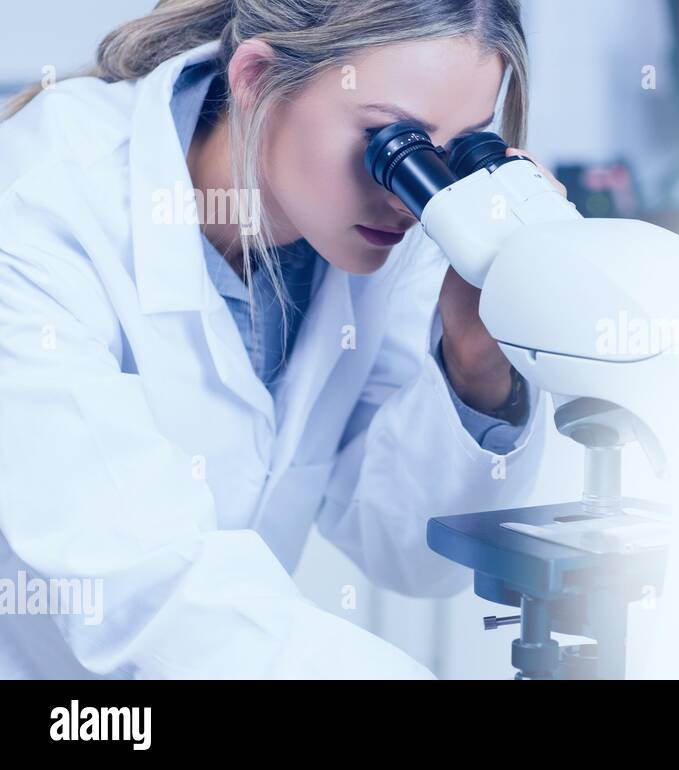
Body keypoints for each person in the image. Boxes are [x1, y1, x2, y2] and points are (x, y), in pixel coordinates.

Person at [0, 0, 570, 678]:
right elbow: (143, 590)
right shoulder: (37, 207)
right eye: (391, 140)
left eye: (455, 149)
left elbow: (408, 546)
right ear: (256, 78)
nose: (411, 197)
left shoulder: (363, 237)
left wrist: (476, 360)